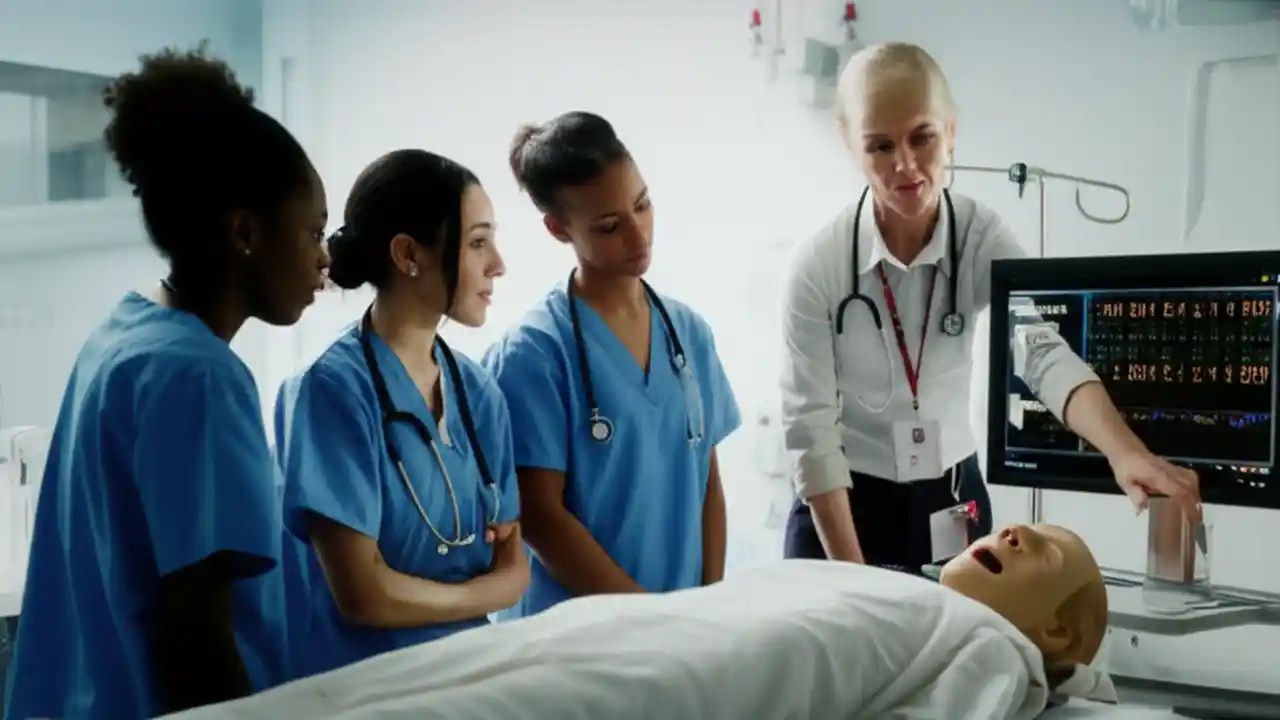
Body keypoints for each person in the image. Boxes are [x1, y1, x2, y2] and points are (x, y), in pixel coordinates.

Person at [779, 42, 1201, 570]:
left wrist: (1125, 452)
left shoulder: (981, 238)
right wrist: (854, 581)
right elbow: (811, 433)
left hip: (950, 495)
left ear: (952, 131)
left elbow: (1042, 354)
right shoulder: (819, 263)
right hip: (840, 503)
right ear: (849, 143)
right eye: (880, 146)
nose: (905, 165)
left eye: (922, 137)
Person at [4, 46, 329, 719]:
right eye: (312, 231)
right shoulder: (198, 378)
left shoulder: (122, 339)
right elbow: (198, 641)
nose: (324, 259)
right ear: (246, 232)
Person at [160, 523, 1106, 720]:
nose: (1015, 530)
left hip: (692, 678)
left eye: (1043, 554)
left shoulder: (996, 648)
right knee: (376, 689)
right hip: (628, 627)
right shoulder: (890, 585)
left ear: (1057, 636)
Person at [273, 149, 527, 680]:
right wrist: (479, 593)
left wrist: (413, 592)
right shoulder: (331, 391)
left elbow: (517, 575)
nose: (497, 264)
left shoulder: (480, 394)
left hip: (468, 680)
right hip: (362, 690)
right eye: (478, 242)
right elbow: (362, 597)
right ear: (409, 254)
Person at [481, 111, 741, 617]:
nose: (638, 234)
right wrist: (647, 619)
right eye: (608, 225)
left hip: (683, 627)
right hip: (577, 635)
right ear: (559, 229)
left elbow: (707, 481)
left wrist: (709, 611)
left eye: (642, 205)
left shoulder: (687, 334)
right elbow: (540, 518)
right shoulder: (535, 354)